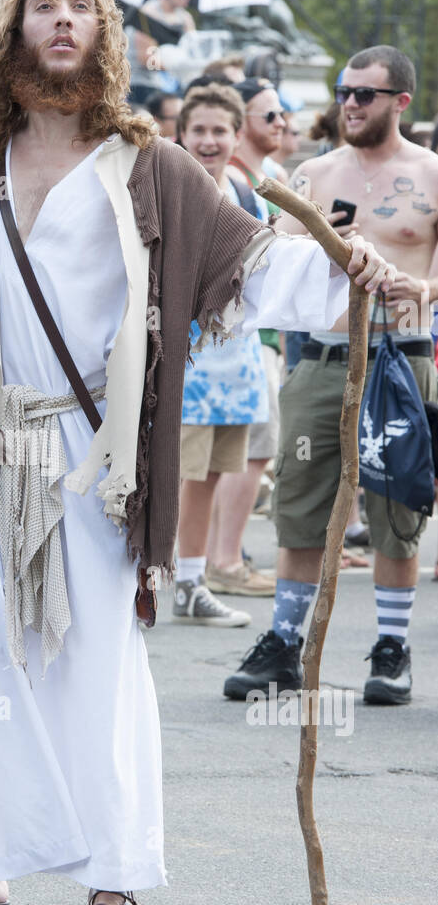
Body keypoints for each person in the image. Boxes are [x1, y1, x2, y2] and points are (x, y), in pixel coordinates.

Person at [0, 0, 394, 905]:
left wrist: (353, 275)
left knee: (101, 662)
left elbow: (252, 269)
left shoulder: (151, 166)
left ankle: (114, 869)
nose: (57, 19)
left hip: (98, 456)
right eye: (39, 4)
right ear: (12, 33)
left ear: (102, 36)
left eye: (76, 7)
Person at [225, 45, 438, 707]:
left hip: (399, 360)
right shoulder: (311, 175)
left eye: (364, 94)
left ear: (399, 101)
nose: (348, 103)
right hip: (318, 361)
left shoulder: (431, 174)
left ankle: (390, 650)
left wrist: (422, 288)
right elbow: (274, 265)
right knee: (299, 505)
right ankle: (284, 644)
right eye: (343, 91)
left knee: (394, 509)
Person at [173, 82, 269, 624]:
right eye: (199, 130)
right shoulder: (168, 186)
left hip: (235, 361)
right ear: (181, 134)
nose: (209, 141)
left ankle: (191, 582)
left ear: (238, 136)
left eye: (219, 130)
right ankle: (151, 580)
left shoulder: (246, 190)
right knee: (174, 476)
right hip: (185, 362)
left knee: (208, 476)